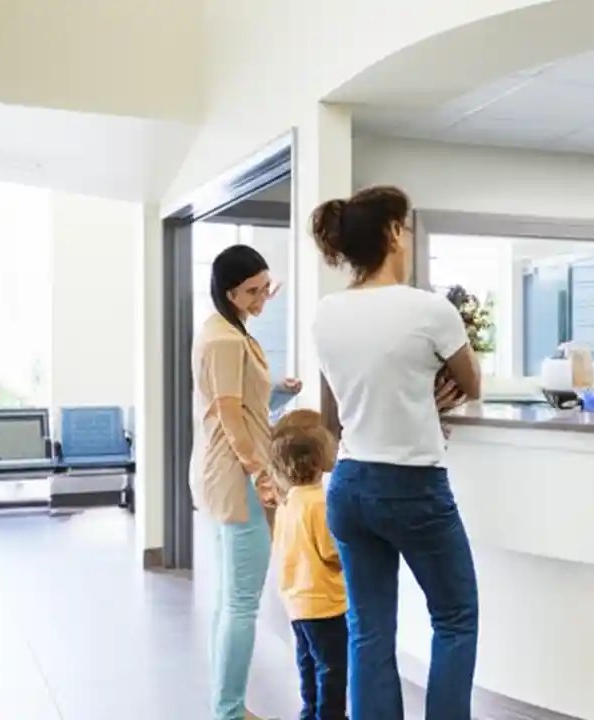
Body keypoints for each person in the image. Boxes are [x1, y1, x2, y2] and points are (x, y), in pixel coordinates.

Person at [310, 185, 482, 720]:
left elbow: (341, 403)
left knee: (369, 632)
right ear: (389, 233)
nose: (406, 240)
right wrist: (424, 392)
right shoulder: (430, 310)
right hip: (413, 487)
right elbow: (470, 384)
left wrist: (407, 393)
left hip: (350, 484)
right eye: (403, 229)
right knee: (454, 617)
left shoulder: (326, 313)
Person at [192, 244, 302, 720]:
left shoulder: (228, 329)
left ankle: (226, 704)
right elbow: (230, 416)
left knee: (228, 599)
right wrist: (260, 473)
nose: (262, 299)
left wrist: (278, 391)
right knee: (241, 602)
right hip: (238, 477)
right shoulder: (224, 339)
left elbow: (244, 404)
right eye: (252, 292)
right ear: (229, 292)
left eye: (265, 287)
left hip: (230, 471)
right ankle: (230, 711)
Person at [269, 409, 348, 720]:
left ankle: (309, 713)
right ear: (319, 457)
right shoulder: (318, 503)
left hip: (297, 606)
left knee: (308, 665)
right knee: (333, 669)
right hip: (325, 607)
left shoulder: (288, 503)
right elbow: (330, 553)